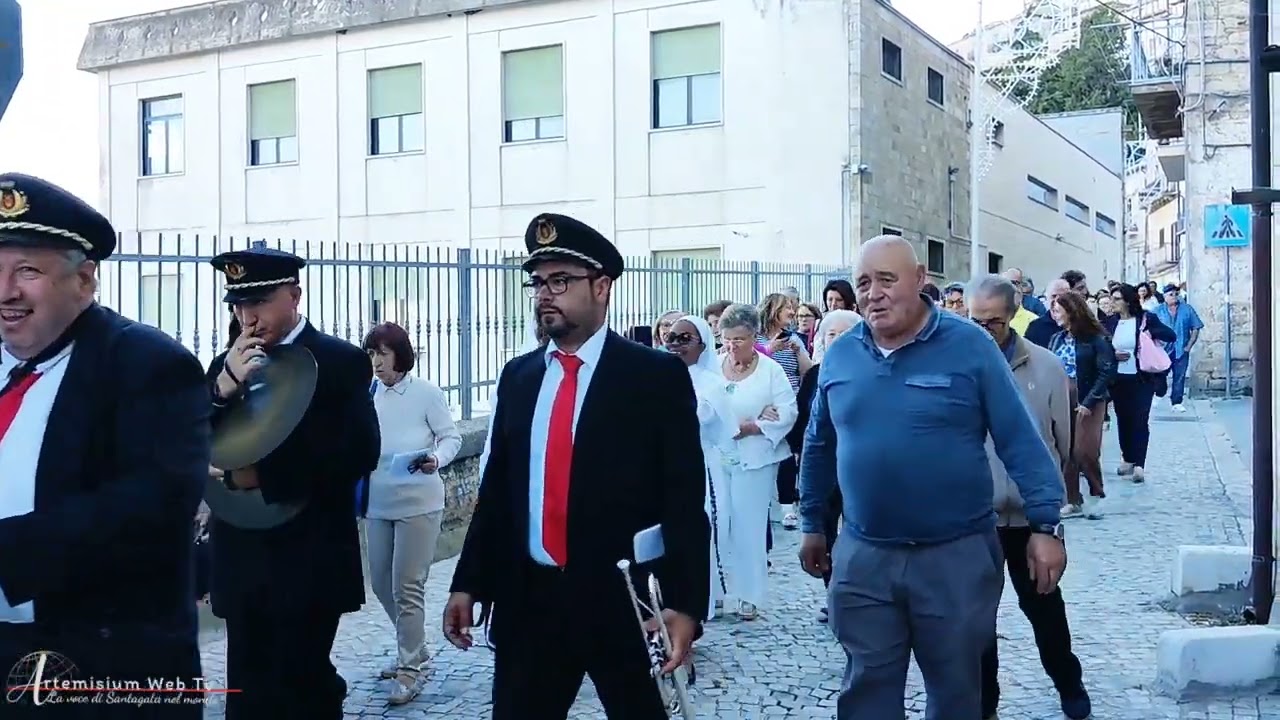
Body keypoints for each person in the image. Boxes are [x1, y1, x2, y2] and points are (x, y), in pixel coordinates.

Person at [443, 213, 709, 719]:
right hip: (531, 603)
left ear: (602, 287)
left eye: (561, 281)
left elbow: (683, 500)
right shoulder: (519, 378)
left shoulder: (653, 377)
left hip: (625, 604)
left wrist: (685, 605)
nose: (545, 294)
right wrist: (468, 582)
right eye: (538, 283)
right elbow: (498, 491)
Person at [797, 235, 1066, 720]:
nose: (872, 293)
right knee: (866, 690)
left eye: (886, 279)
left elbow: (1019, 438)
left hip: (954, 557)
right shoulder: (840, 356)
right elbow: (819, 446)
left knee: (956, 689)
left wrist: (1045, 526)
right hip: (865, 556)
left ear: (921, 280)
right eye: (863, 282)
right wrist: (813, 524)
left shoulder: (970, 346)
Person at [0, 173, 208, 718]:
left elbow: (151, 506)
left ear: (85, 281)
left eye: (27, 270)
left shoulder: (148, 365)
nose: (5, 291)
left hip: (98, 666)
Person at [206, 246, 381, 719]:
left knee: (302, 685)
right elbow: (195, 441)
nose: (249, 316)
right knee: (245, 691)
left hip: (307, 555)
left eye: (260, 302)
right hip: (242, 557)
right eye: (239, 305)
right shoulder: (227, 363)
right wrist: (223, 389)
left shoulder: (340, 361)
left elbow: (359, 452)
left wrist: (258, 475)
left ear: (295, 295)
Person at [967, 276, 1092, 720]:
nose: (984, 332)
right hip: (974, 521)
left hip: (1029, 521)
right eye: (974, 322)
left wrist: (1050, 521)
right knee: (976, 622)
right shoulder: (956, 367)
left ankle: (1069, 684)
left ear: (1013, 315)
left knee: (1045, 610)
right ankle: (985, 704)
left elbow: (1061, 444)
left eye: (994, 322)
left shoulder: (1046, 368)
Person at [362, 322, 462, 704]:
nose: (376, 362)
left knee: (407, 585)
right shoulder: (368, 394)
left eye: (382, 354)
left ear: (400, 355)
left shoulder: (426, 393)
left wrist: (435, 459)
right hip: (378, 501)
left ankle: (410, 669)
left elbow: (451, 437)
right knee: (381, 583)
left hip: (419, 501)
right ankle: (415, 648)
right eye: (371, 354)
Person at [716, 303, 798, 619]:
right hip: (718, 456)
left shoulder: (770, 369)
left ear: (753, 336)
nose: (731, 345)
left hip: (756, 457)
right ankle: (719, 590)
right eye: (726, 339)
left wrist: (753, 426)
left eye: (739, 339)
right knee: (718, 522)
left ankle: (749, 594)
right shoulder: (715, 365)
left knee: (749, 525)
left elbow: (786, 411)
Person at [790, 308, 860, 624]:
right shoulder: (816, 375)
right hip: (825, 471)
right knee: (826, 536)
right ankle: (834, 597)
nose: (838, 340)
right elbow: (805, 424)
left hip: (860, 475)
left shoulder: (872, 372)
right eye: (831, 334)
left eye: (844, 334)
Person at [662, 315, 733, 620]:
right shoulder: (656, 376)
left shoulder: (713, 384)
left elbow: (703, 421)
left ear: (702, 345)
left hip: (702, 465)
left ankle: (699, 604)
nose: (676, 344)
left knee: (701, 535)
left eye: (685, 339)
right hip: (663, 468)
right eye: (672, 338)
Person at [1048, 292, 1117, 519]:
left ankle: (1097, 493)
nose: (1054, 314)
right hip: (1061, 397)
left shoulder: (1096, 339)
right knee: (1065, 450)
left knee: (1085, 450)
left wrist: (1090, 401)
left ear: (1071, 311)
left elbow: (1106, 371)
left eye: (1058, 310)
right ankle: (1072, 499)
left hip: (1089, 398)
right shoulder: (1057, 338)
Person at [1104, 284, 1175, 483]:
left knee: (1140, 419)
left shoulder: (1146, 319)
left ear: (1128, 301)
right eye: (1112, 298)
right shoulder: (1110, 322)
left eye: (1117, 299)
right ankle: (1127, 458)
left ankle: (1139, 465)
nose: (1113, 303)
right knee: (1123, 419)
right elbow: (1102, 346)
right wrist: (1113, 354)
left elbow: (1170, 335)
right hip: (1118, 379)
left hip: (1142, 378)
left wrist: (1150, 337)